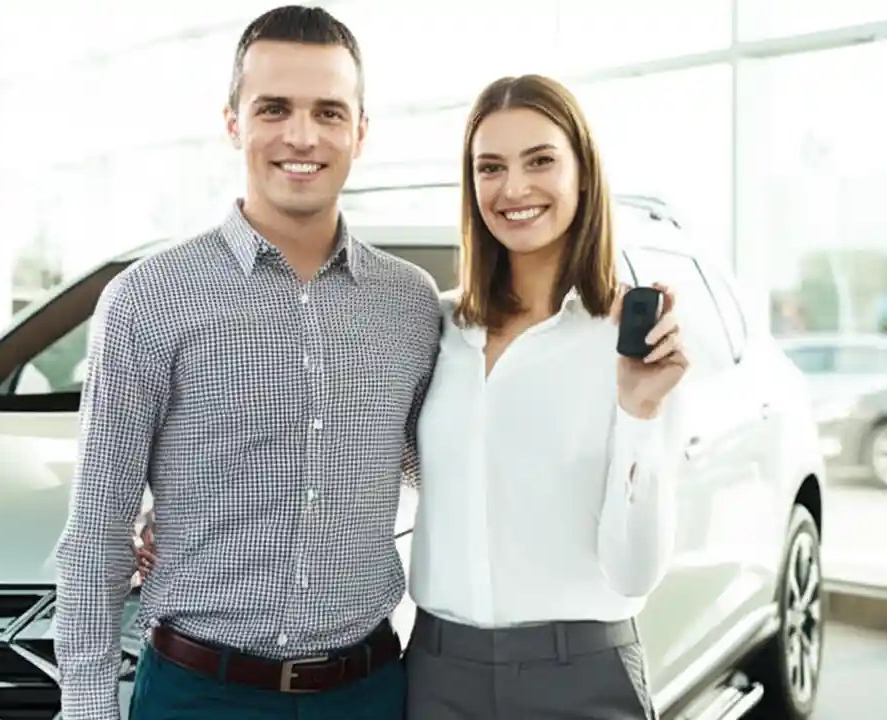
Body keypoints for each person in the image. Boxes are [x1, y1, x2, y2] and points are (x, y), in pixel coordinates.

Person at [54, 5, 441, 720]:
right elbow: (99, 527)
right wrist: (86, 705)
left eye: (329, 111)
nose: (302, 136)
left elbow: (442, 471)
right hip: (198, 695)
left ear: (360, 130)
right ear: (233, 122)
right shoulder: (149, 298)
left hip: (368, 694)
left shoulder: (411, 305)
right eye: (274, 108)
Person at [401, 74, 687, 719]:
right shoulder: (436, 330)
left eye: (540, 161)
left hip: (582, 677)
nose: (513, 189)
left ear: (583, 174)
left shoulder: (629, 340)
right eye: (490, 167)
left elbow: (634, 572)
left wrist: (639, 412)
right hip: (438, 672)